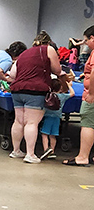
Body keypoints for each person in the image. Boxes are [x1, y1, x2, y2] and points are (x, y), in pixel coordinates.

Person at [10, 31, 67, 164]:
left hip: (17, 90)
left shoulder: (24, 53)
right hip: (35, 90)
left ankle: (16, 150)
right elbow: (57, 70)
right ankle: (30, 155)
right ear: (48, 42)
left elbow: (13, 74)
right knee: (32, 122)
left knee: (18, 121)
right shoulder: (48, 49)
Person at [63, 25, 94, 166]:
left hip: (92, 95)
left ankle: (82, 157)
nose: (85, 43)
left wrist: (91, 94)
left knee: (88, 124)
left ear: (92, 38)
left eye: (86, 40)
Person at [39, 73, 75, 159]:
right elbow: (72, 93)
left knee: (44, 134)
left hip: (47, 117)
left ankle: (46, 149)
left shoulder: (47, 96)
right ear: (61, 87)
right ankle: (53, 151)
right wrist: (68, 85)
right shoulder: (62, 96)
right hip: (57, 117)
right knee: (53, 135)